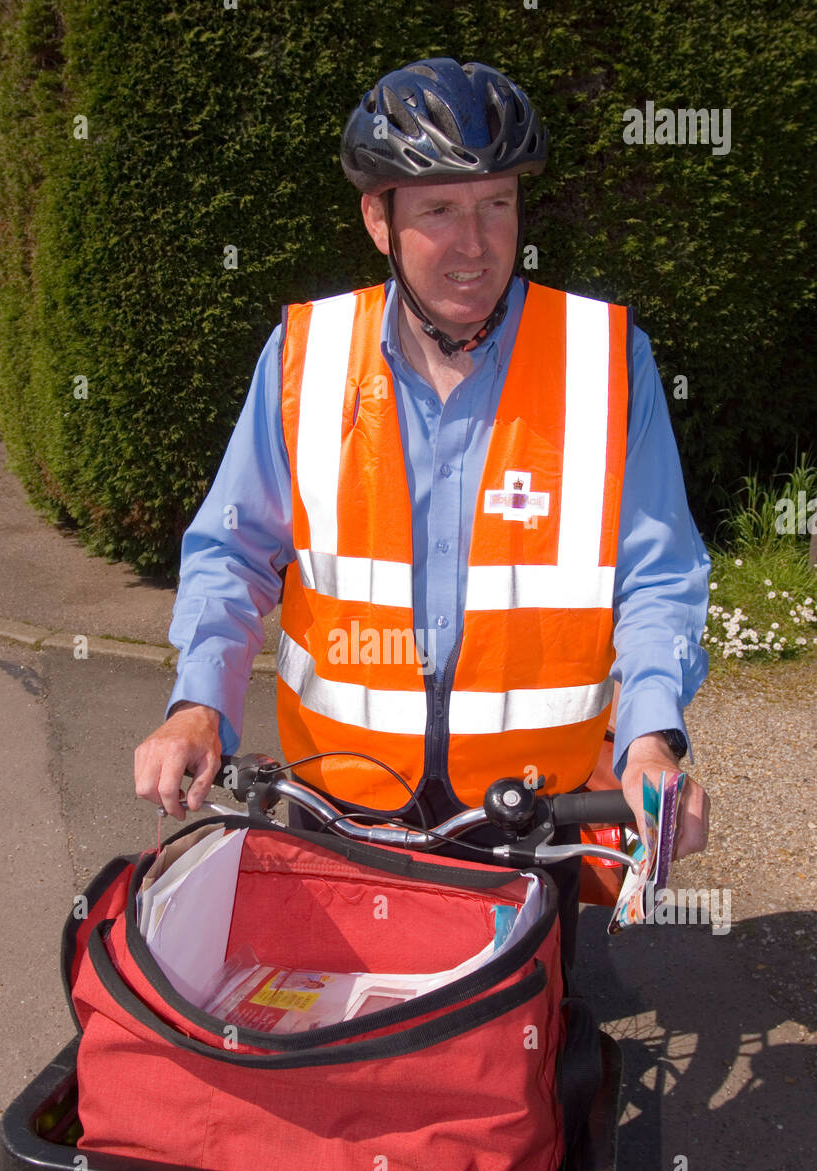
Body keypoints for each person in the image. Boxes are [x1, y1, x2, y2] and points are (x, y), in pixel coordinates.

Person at [135, 58, 711, 970]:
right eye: (438, 211)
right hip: (343, 807)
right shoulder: (308, 355)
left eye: (497, 205)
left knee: (520, 1079)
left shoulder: (604, 359)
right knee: (337, 1056)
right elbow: (232, 551)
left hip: (534, 818)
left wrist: (650, 737)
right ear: (380, 221)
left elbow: (657, 573)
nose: (475, 244)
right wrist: (198, 704)